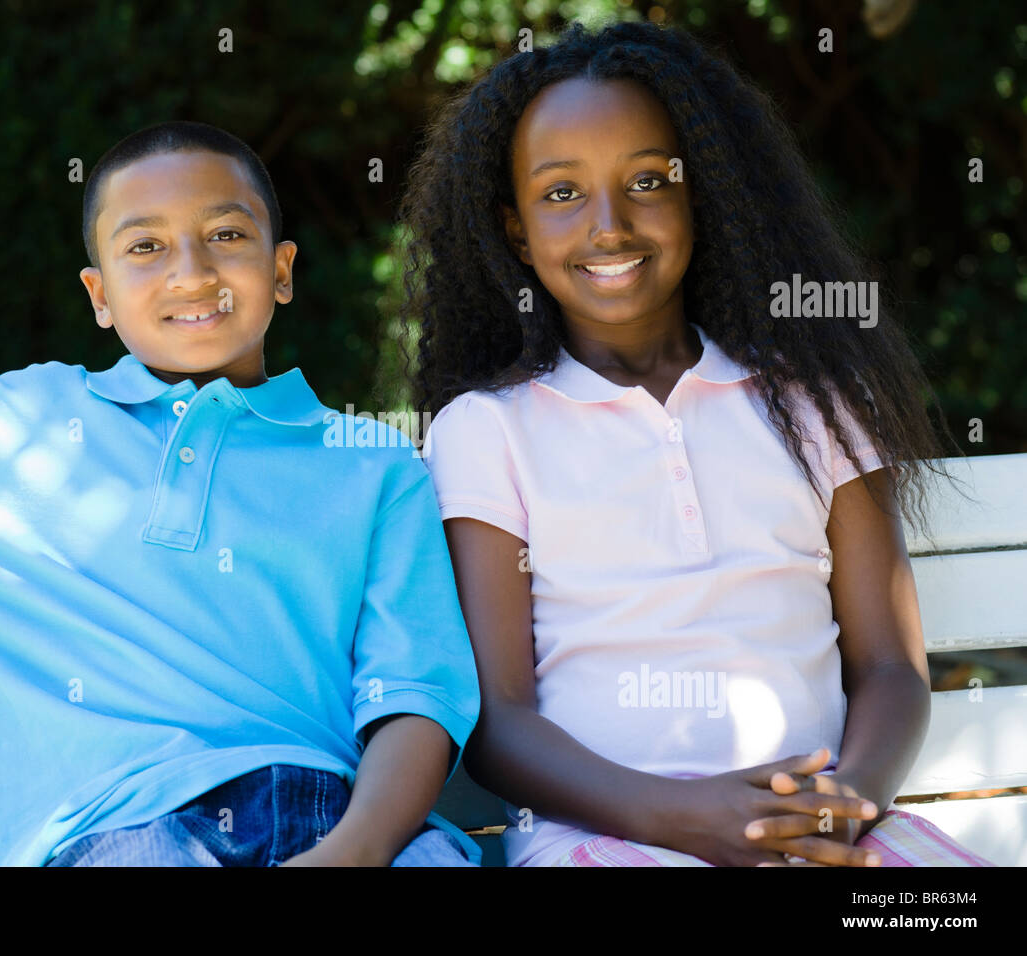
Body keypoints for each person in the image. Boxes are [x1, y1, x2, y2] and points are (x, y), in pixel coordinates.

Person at [0, 121, 480, 867]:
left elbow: (417, 699)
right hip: (120, 835)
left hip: (343, 827)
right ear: (99, 294)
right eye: (145, 247)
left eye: (226, 234)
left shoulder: (370, 464)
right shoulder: (7, 427)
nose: (191, 272)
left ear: (282, 270)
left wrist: (353, 853)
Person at [400, 21, 991, 867]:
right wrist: (682, 816)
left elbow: (891, 669)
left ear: (698, 194)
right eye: (562, 193)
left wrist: (844, 804)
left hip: (830, 831)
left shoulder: (816, 399)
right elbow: (500, 720)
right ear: (516, 231)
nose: (609, 224)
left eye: (647, 180)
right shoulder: (486, 431)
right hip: (612, 840)